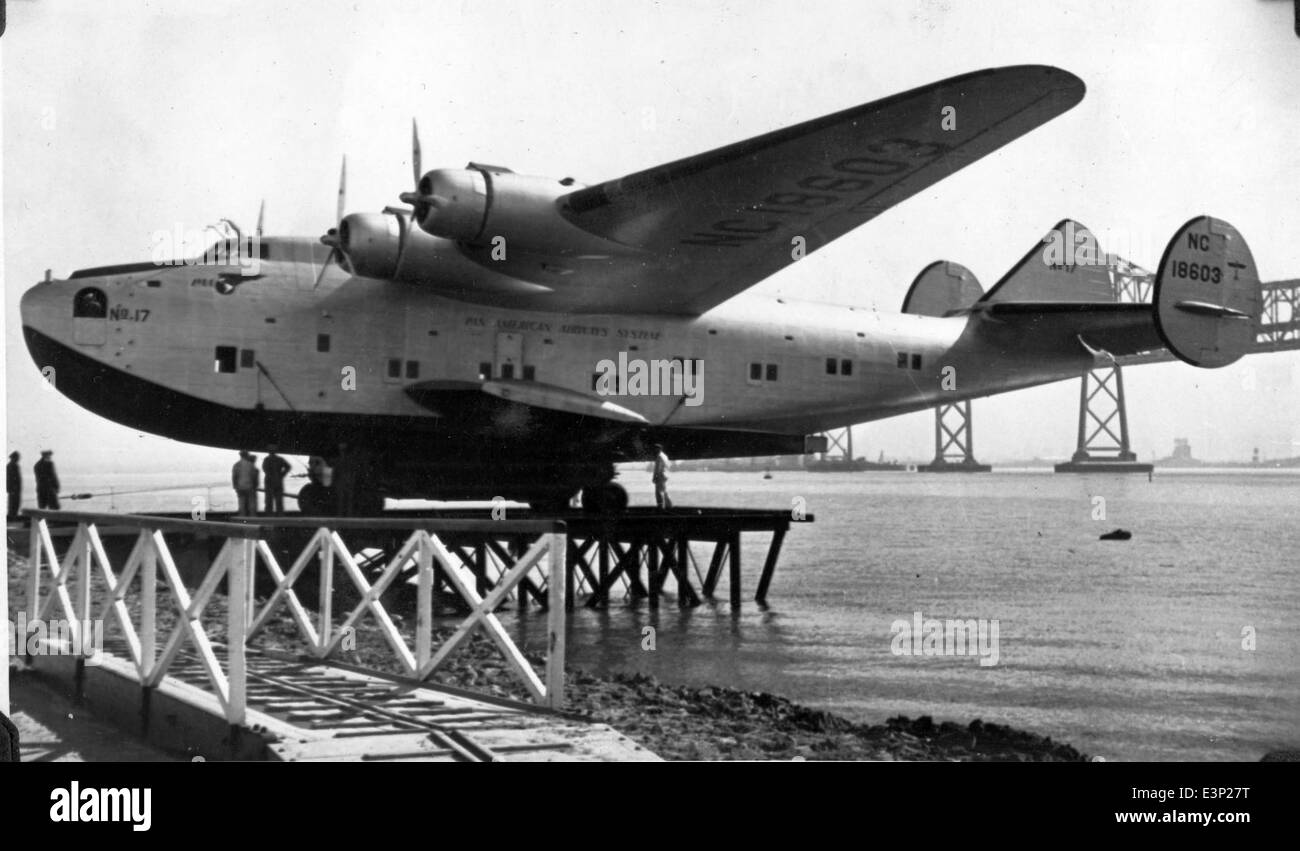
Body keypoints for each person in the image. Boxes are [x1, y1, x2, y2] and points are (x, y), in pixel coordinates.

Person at [262, 448, 291, 515]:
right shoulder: (280, 459)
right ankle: (280, 515)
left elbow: (264, 468)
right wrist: (282, 474)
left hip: (269, 482)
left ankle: (269, 516)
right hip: (278, 481)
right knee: (279, 500)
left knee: (269, 500)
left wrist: (269, 474)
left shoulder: (266, 459)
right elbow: (288, 466)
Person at [231, 450, 259, 516]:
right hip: (250, 486)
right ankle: (253, 517)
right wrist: (255, 485)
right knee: (251, 503)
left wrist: (235, 486)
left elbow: (234, 476)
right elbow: (254, 476)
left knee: (241, 503)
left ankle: (242, 517)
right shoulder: (251, 465)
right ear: (247, 455)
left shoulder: (236, 465)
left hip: (240, 486)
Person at [652, 443, 672, 509]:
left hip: (660, 476)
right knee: (664, 491)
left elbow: (658, 468)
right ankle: (668, 505)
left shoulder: (659, 457)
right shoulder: (665, 456)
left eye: (655, 449)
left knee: (658, 492)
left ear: (659, 449)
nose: (654, 450)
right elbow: (668, 466)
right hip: (664, 475)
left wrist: (655, 477)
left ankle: (660, 506)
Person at [7, 452, 21, 518]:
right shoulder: (11, 466)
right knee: (13, 504)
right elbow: (9, 478)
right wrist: (10, 489)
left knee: (15, 504)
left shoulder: (14, 465)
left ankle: (13, 516)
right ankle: (12, 517)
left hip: (15, 489)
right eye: (17, 457)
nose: (18, 458)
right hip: (13, 489)